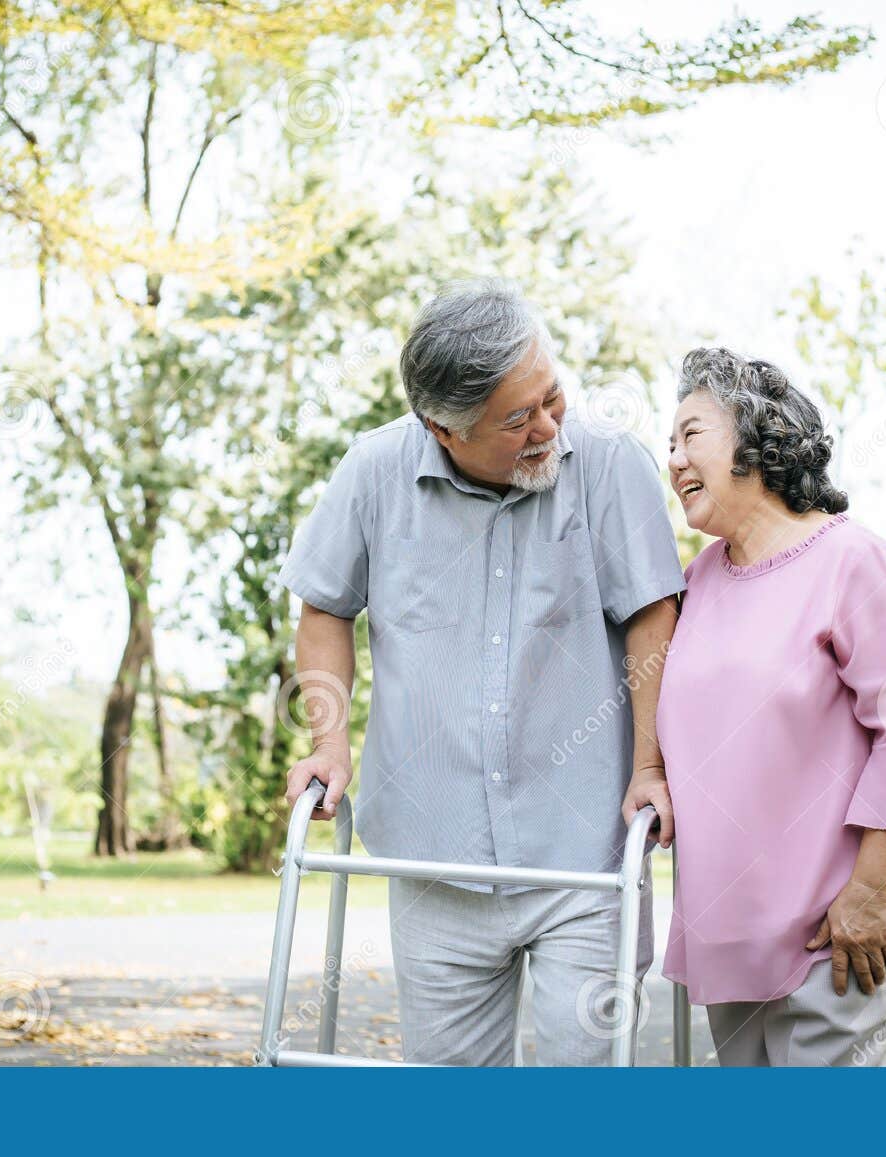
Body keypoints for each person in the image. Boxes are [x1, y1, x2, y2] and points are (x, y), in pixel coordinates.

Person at [279, 279, 684, 1065]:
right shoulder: (373, 471)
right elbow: (324, 606)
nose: (547, 428)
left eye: (551, 397)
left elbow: (652, 618)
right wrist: (330, 746)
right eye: (517, 420)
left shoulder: (608, 465)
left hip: (585, 856)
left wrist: (649, 766)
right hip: (434, 859)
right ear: (442, 429)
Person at [658, 347, 886, 1066]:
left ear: (757, 437)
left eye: (691, 435)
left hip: (838, 942)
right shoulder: (698, 581)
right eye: (670, 443)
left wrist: (870, 896)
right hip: (731, 948)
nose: (674, 458)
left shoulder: (853, 562)